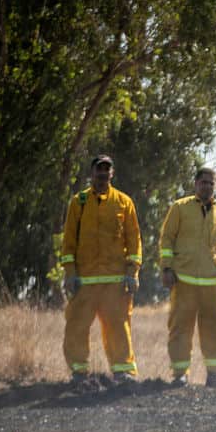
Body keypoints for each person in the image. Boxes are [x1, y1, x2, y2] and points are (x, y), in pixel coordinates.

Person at [59, 155, 142, 386]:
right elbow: (68, 243)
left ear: (112, 173)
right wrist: (70, 272)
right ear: (92, 172)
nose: (103, 174)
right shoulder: (79, 202)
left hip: (114, 283)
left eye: (107, 169)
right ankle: (78, 373)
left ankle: (123, 373)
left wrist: (132, 272)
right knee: (76, 326)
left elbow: (134, 241)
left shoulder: (124, 202)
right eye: (99, 169)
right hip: (84, 281)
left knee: (118, 327)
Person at [158, 166, 216, 387]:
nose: (207, 186)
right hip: (183, 280)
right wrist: (167, 268)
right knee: (180, 327)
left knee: (215, 328)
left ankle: (215, 374)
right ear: (195, 184)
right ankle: (180, 374)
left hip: (212, 282)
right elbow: (166, 239)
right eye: (203, 182)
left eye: (211, 183)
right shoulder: (180, 208)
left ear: (215, 186)